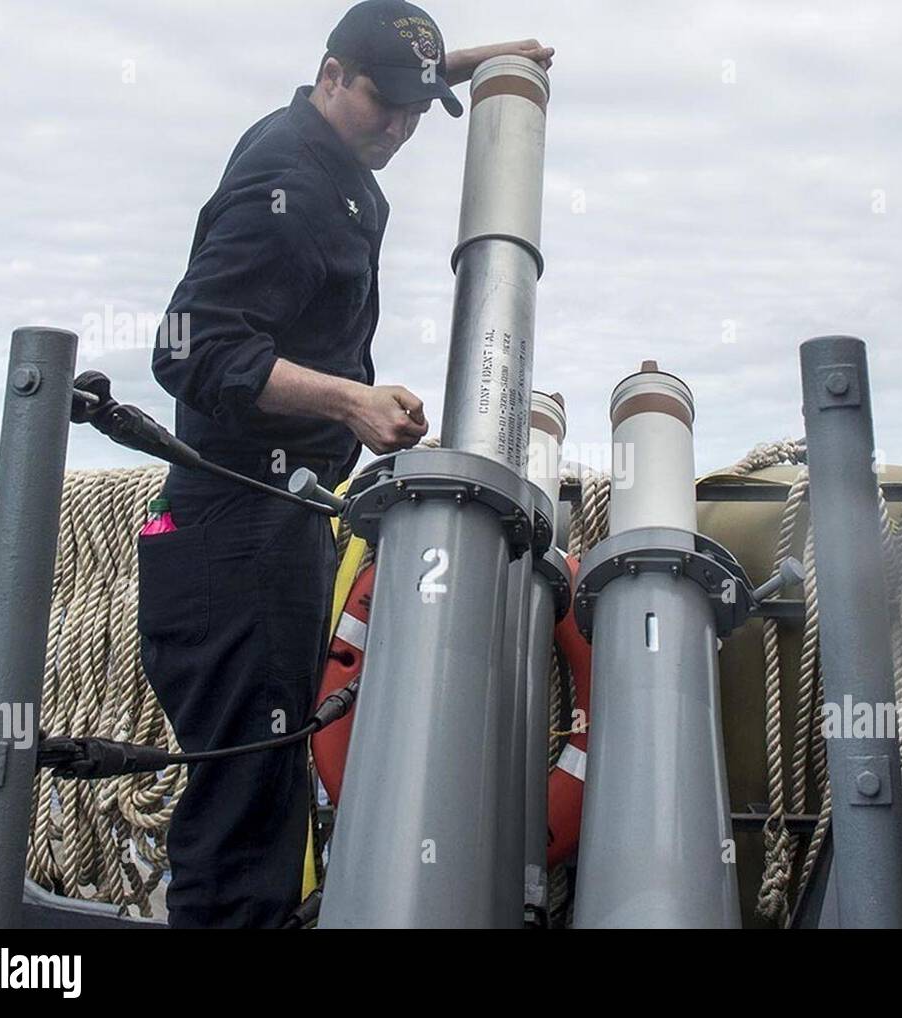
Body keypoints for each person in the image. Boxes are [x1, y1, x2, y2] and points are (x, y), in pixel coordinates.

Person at [139, 0, 553, 927]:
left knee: (272, 790)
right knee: (243, 810)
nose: (401, 128)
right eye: (385, 104)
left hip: (277, 522)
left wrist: (480, 62)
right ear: (330, 76)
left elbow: (401, 79)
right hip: (227, 533)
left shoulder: (328, 139)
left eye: (416, 108)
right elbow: (186, 348)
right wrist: (349, 401)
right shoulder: (285, 178)